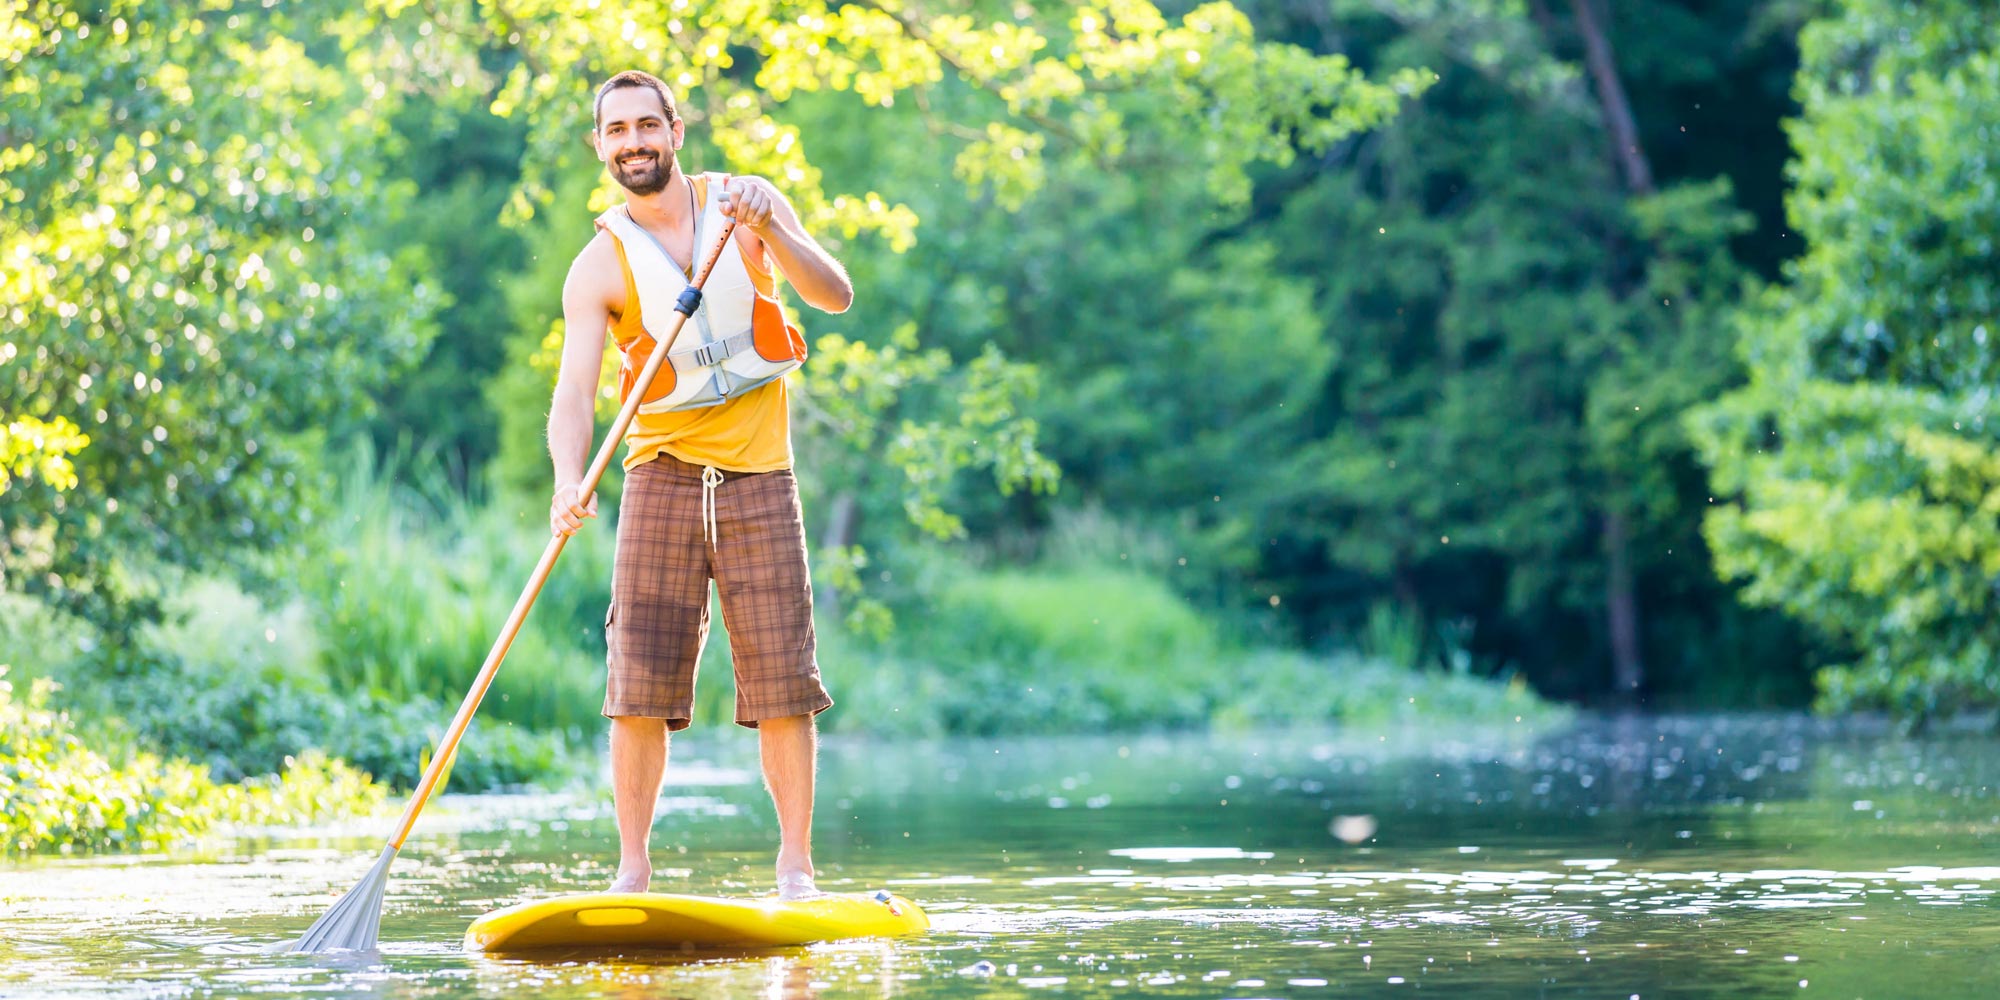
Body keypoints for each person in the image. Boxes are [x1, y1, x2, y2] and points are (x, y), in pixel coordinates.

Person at [546, 69, 853, 900]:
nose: (634, 142)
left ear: (677, 133)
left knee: (783, 682)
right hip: (661, 476)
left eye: (649, 125)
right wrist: (567, 480)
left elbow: (835, 294)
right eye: (617, 131)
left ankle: (795, 868)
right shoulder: (596, 265)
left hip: (760, 474)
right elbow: (573, 394)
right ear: (600, 146)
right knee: (637, 685)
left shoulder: (745, 207)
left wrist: (777, 231)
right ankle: (633, 870)